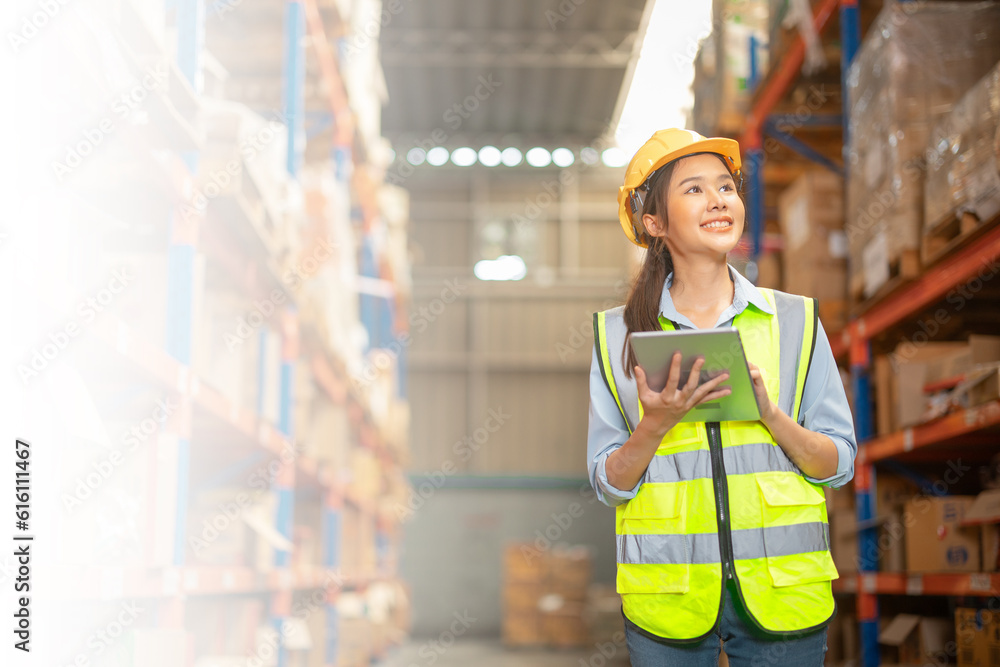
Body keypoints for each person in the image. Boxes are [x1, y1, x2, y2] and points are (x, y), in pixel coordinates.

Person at [586, 129, 857, 666]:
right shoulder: (617, 335)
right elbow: (608, 485)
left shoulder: (795, 321)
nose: (718, 201)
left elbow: (839, 463)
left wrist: (771, 416)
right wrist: (653, 426)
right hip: (670, 599)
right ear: (654, 222)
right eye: (693, 190)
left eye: (725, 187)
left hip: (783, 594)